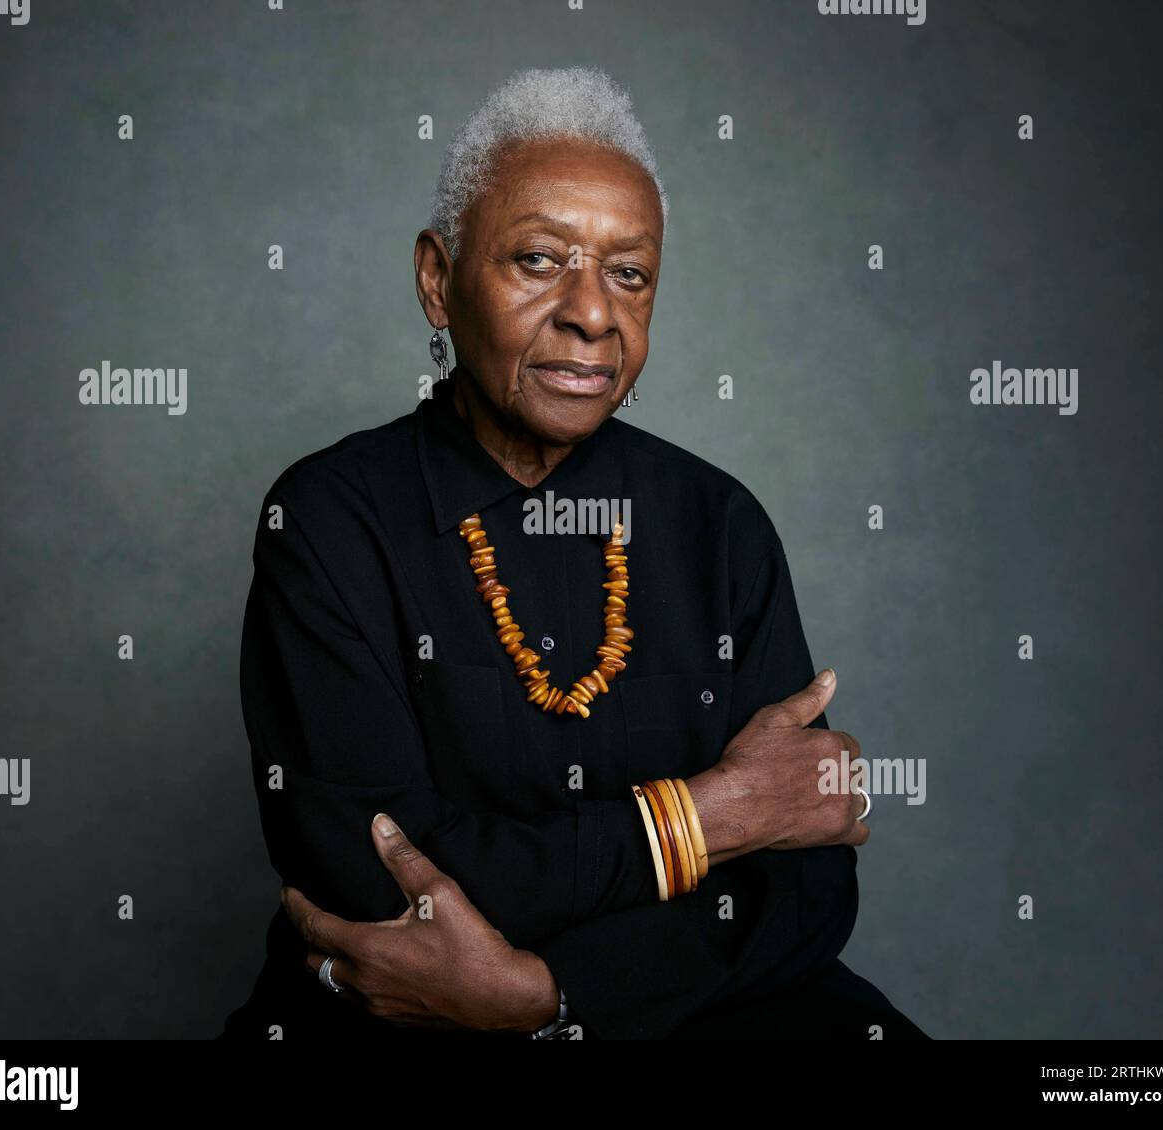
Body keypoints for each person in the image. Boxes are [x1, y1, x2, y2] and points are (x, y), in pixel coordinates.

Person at [221, 66, 927, 1041]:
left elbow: (806, 874)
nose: (592, 312)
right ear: (437, 276)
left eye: (628, 273)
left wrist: (552, 993)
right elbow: (380, 884)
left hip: (678, 1010)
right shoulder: (329, 522)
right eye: (540, 260)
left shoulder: (718, 524)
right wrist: (716, 814)